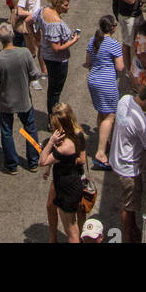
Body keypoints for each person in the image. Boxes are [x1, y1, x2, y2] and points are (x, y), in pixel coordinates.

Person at [0, 22, 42, 174]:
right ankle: (33, 162)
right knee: (30, 128)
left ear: (0, 39)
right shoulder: (24, 53)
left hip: (5, 102)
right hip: (24, 99)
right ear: (12, 35)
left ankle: (12, 165)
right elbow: (35, 74)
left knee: (7, 132)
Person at [109, 83, 146, 243]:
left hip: (117, 158)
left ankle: (133, 228)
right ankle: (128, 237)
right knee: (128, 207)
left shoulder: (125, 99)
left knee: (131, 205)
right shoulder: (142, 122)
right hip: (129, 168)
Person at [39, 102, 87, 244]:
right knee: (55, 210)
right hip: (64, 180)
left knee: (71, 228)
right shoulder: (64, 138)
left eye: (55, 125)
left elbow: (82, 159)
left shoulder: (74, 138)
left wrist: (52, 148)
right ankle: (53, 238)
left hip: (70, 181)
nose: (52, 128)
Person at [86, 16, 125, 169]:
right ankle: (100, 153)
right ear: (113, 28)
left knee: (101, 113)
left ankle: (105, 142)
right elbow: (120, 67)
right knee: (110, 115)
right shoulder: (114, 44)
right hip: (106, 83)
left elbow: (88, 62)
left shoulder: (92, 41)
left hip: (93, 81)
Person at [39, 0, 80, 113]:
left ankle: (53, 117)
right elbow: (56, 48)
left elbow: (30, 20)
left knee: (52, 90)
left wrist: (36, 40)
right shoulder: (55, 23)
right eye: (65, 5)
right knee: (55, 91)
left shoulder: (44, 10)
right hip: (57, 61)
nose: (68, 7)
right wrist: (73, 41)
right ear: (58, 5)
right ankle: (53, 119)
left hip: (47, 56)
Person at [111, 0, 145, 76]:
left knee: (141, 39)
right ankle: (128, 70)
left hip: (138, 13)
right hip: (127, 17)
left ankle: (140, 63)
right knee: (128, 43)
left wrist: (142, 1)